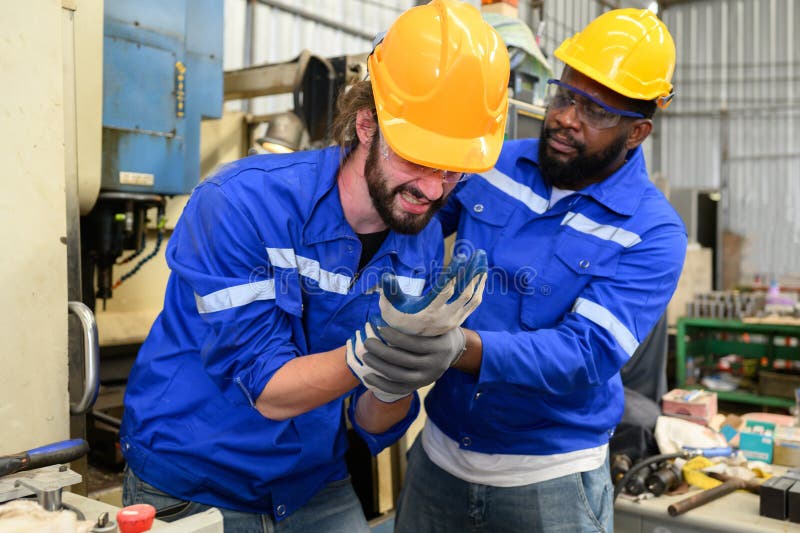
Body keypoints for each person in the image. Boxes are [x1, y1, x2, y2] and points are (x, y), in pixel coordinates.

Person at [119, 1, 509, 531]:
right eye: (417, 158)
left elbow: (370, 422)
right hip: (192, 485)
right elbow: (269, 389)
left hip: (311, 483)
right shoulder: (240, 204)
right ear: (368, 126)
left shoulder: (416, 242)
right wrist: (378, 353)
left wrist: (406, 374)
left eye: (454, 171)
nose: (433, 189)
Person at [388, 8, 688, 532]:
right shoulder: (492, 165)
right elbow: (410, 221)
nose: (567, 118)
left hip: (550, 486)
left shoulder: (652, 232)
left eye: (595, 112)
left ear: (637, 132)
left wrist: (457, 347)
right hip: (436, 463)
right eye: (565, 95)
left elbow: (583, 354)